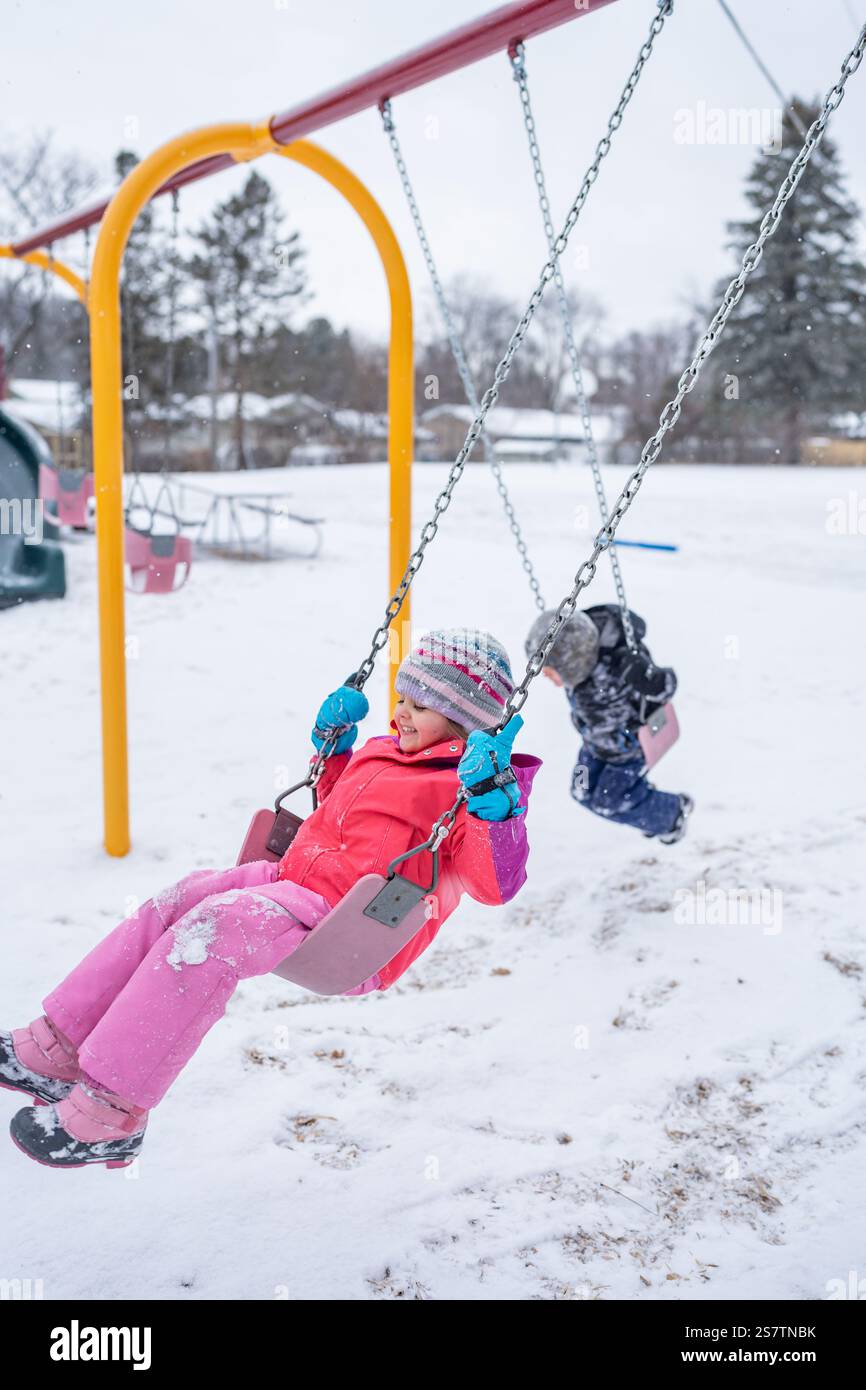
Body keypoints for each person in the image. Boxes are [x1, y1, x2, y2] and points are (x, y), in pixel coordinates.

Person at [2, 629, 541, 1170]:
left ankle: (109, 1115)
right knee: (181, 899)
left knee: (209, 931)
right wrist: (334, 752)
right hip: (289, 883)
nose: (400, 713)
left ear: (464, 719)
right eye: (401, 697)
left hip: (349, 928)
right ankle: (54, 1049)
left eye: (420, 706)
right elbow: (344, 818)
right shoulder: (386, 752)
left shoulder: (476, 786)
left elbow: (494, 884)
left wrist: (493, 801)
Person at [525, 603, 692, 842]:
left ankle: (672, 813)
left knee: (608, 802)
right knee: (581, 792)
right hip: (593, 747)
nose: (545, 676)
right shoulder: (579, 672)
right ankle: (641, 804)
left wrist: (650, 679)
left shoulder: (621, 669)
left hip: (630, 753)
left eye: (550, 670)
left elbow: (666, 687)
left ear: (571, 663)